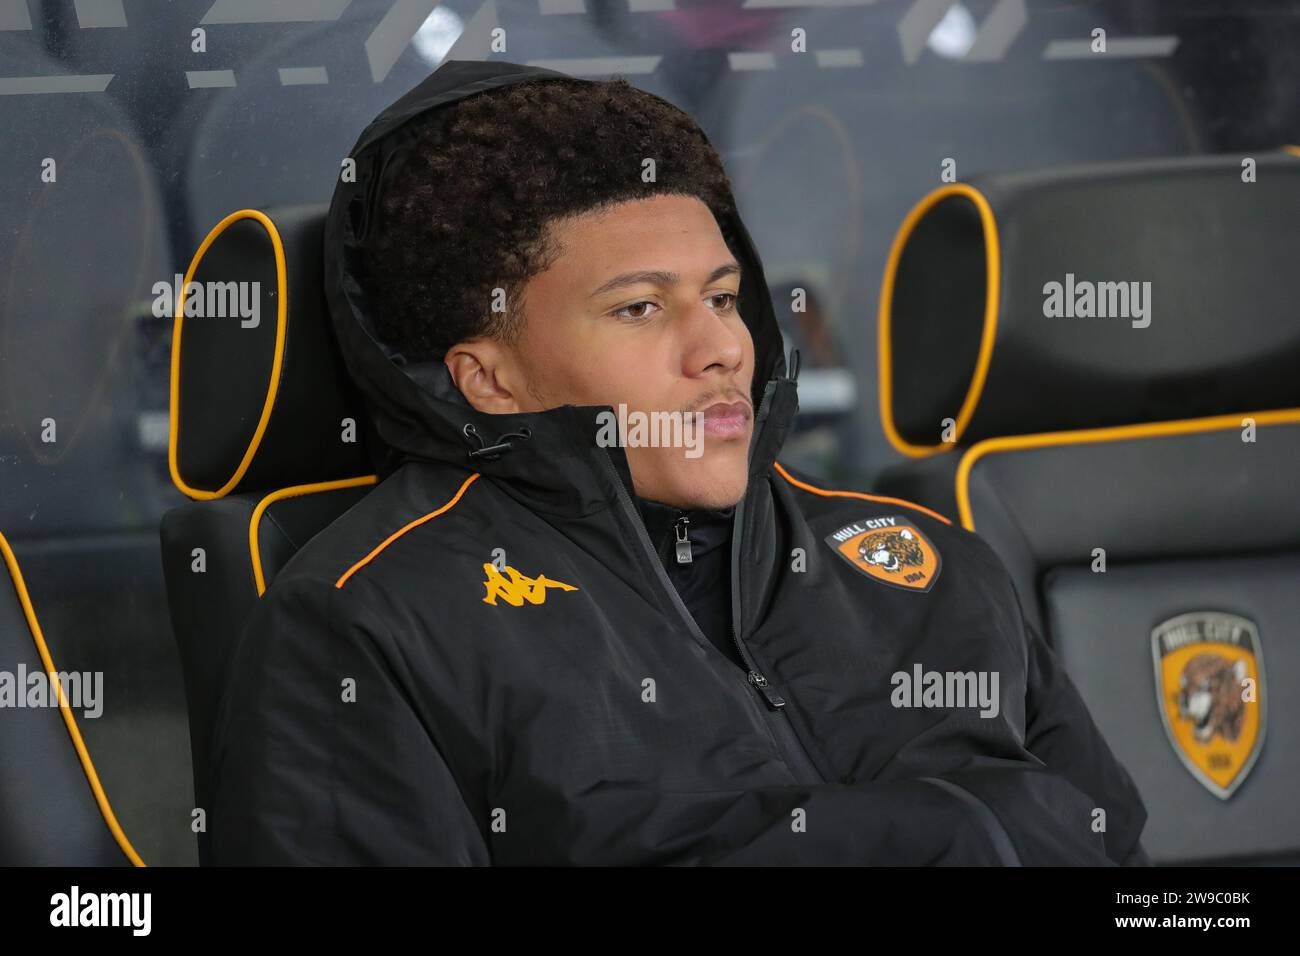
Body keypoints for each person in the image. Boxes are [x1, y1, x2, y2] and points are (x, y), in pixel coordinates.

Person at [207, 59, 1149, 865]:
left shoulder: (923, 562)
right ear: (487, 379)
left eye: (726, 297)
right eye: (640, 308)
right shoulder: (369, 622)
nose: (722, 349)